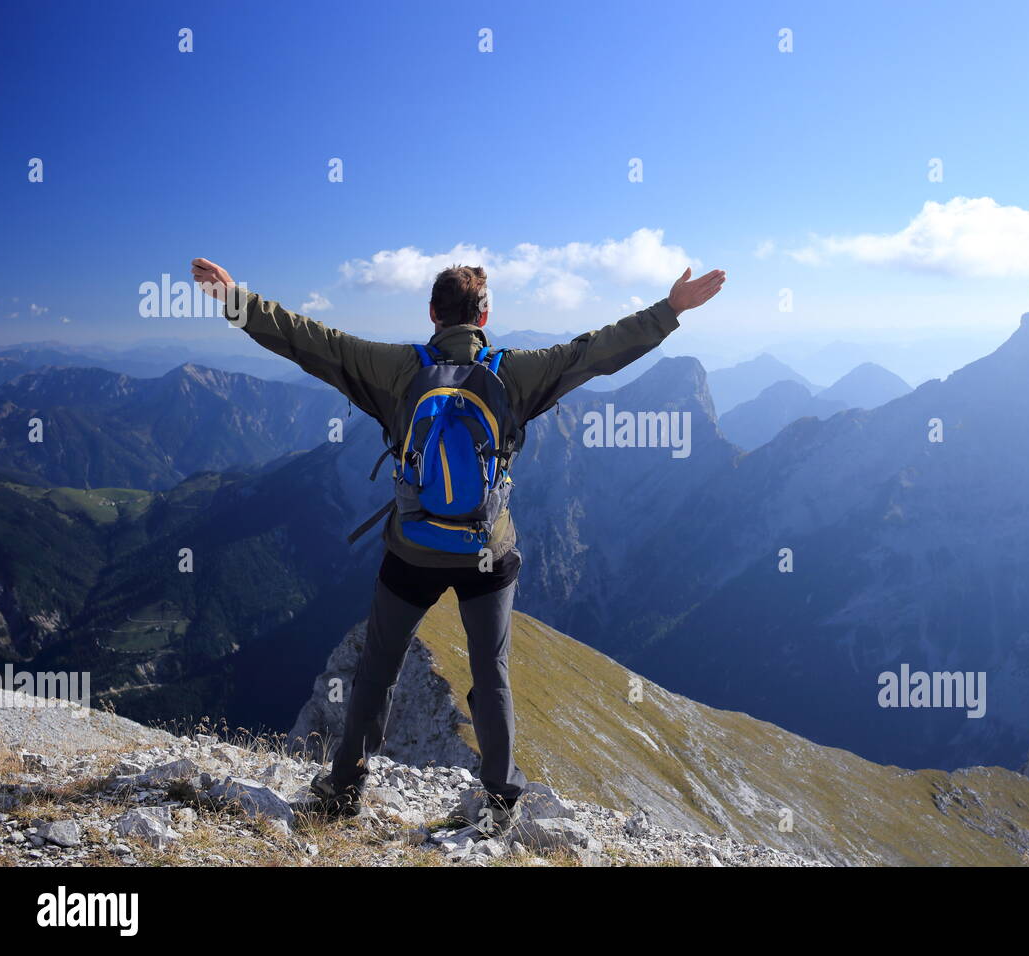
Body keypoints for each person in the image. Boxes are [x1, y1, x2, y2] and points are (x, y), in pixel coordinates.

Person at [190, 257, 725, 834]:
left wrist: (236, 301)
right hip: (488, 554)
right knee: (490, 672)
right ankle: (499, 799)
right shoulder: (515, 373)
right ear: (484, 315)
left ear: (431, 314)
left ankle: (344, 787)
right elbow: (594, 352)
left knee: (377, 669)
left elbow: (312, 341)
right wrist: (670, 310)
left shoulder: (397, 368)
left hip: (412, 550)